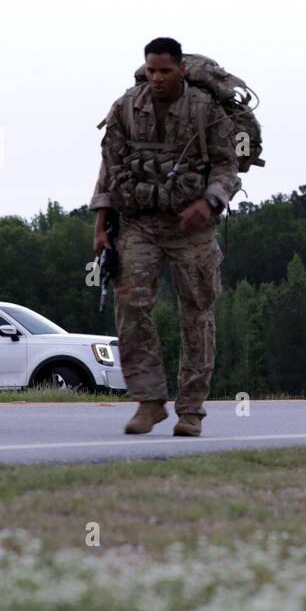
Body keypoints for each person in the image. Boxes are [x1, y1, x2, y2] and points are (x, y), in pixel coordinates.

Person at [91, 37, 241, 436]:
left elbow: (228, 167)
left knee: (197, 314)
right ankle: (149, 401)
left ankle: (191, 410)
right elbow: (109, 168)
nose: (156, 79)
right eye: (151, 70)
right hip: (141, 223)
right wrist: (101, 226)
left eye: (165, 71)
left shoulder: (205, 111)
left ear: (182, 70)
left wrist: (209, 203)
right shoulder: (126, 107)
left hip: (192, 228)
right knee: (131, 304)